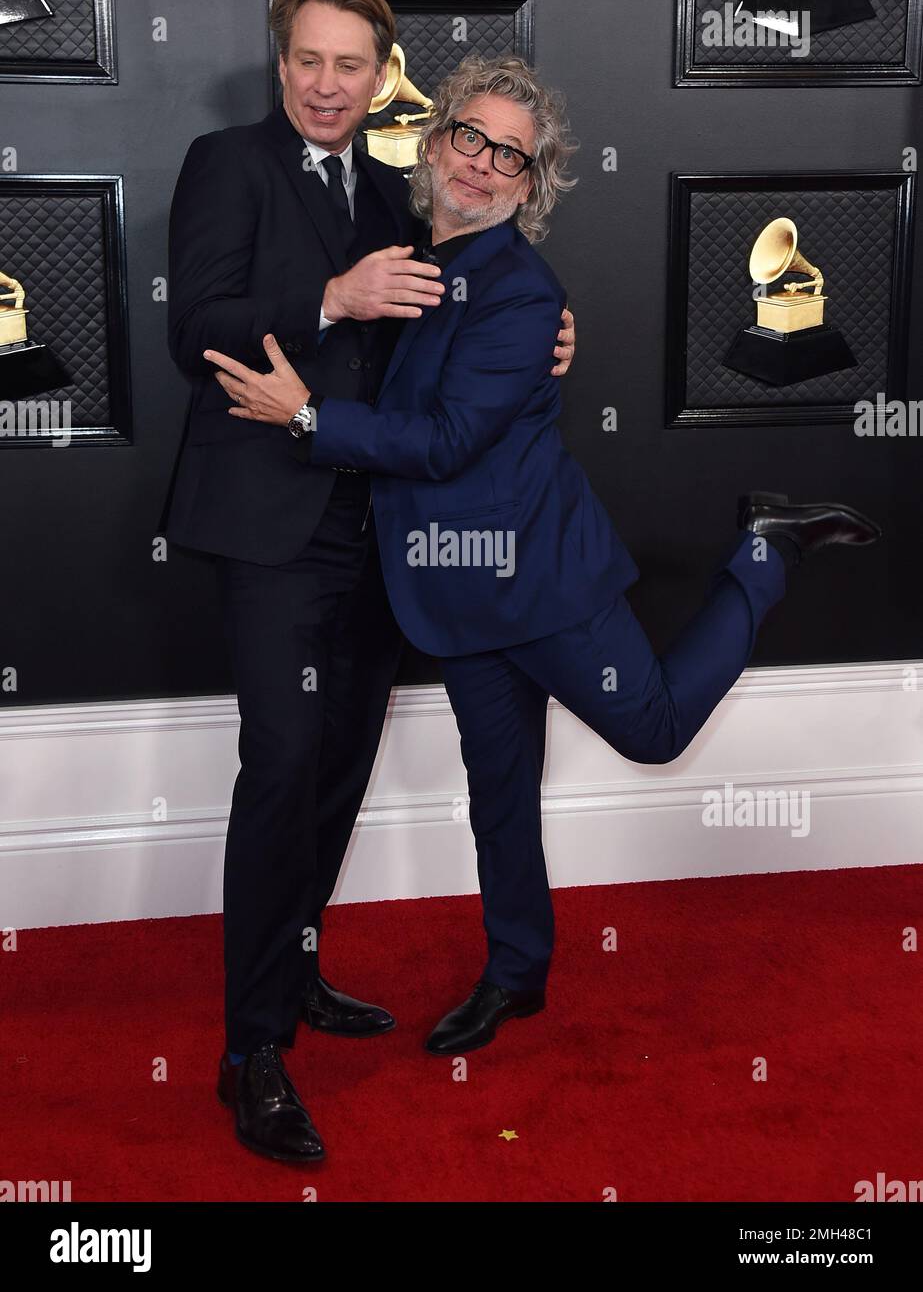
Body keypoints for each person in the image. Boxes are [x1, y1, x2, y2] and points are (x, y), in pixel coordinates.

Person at [206, 55, 880, 1073]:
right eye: (468, 139)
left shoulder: (523, 295)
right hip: (448, 595)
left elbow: (438, 441)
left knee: (651, 730)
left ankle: (764, 548)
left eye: (508, 157)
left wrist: (302, 416)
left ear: (531, 184)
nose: (481, 166)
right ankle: (517, 971)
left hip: (539, 581)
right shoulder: (405, 253)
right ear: (433, 144)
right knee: (499, 787)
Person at [160, 0, 575, 1164]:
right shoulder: (224, 164)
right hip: (267, 527)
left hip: (377, 526)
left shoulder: (404, 192)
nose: (327, 84)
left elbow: (470, 294)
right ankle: (248, 1055)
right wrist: (329, 297)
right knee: (282, 765)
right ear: (279, 59)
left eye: (351, 64)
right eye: (308, 60)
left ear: (382, 74)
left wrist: (552, 327)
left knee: (337, 767)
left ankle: (292, 982)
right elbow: (194, 324)